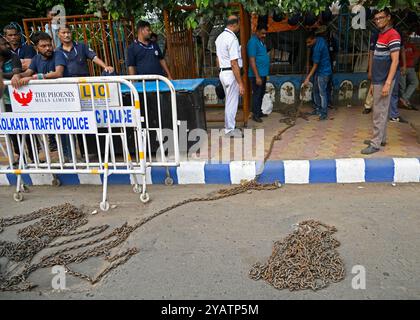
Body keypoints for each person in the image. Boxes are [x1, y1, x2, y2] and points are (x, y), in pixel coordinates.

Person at [11, 32, 71, 159]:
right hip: (47, 100)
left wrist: (36, 77)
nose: (48, 48)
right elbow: (28, 72)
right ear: (36, 48)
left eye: (49, 45)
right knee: (51, 128)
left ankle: (69, 157)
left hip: (64, 97)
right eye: (43, 46)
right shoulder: (36, 59)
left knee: (66, 129)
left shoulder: (58, 54)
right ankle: (58, 158)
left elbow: (58, 73)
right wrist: (17, 76)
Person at [361, 8, 401, 155]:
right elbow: (378, 60)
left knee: (379, 111)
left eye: (381, 18)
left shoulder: (393, 35)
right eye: (376, 19)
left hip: (384, 80)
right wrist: (373, 82)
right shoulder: (381, 34)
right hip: (378, 80)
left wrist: (388, 82)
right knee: (380, 110)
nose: (378, 21)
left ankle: (376, 143)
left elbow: (395, 61)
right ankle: (381, 138)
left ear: (388, 18)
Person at [0, 37, 36, 164]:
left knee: (28, 130)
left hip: (20, 99)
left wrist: (2, 76)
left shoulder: (13, 56)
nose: (7, 45)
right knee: (12, 132)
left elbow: (16, 73)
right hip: (5, 102)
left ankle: (34, 157)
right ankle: (20, 157)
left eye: (6, 43)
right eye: (3, 44)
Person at [215, 15, 244, 138]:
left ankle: (230, 126)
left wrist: (220, 73)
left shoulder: (219, 37)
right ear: (234, 25)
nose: (239, 27)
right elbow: (234, 63)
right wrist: (240, 83)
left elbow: (217, 59)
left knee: (229, 101)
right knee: (232, 102)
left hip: (223, 72)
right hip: (230, 73)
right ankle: (229, 129)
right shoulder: (232, 39)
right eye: (238, 25)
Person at [304, 31, 332, 121]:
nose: (308, 44)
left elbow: (315, 65)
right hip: (320, 71)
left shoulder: (317, 49)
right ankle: (317, 108)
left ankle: (323, 112)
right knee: (315, 90)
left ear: (313, 39)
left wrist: (307, 78)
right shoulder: (320, 39)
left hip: (324, 72)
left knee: (322, 93)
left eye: (309, 42)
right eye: (307, 42)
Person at [247, 23, 269, 123]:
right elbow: (252, 60)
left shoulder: (261, 42)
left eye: (265, 34)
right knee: (257, 94)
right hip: (257, 75)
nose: (264, 35)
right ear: (257, 32)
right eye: (262, 33)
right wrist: (257, 76)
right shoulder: (252, 42)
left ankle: (259, 112)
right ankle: (255, 114)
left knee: (261, 94)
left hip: (263, 74)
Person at [399, 31, 419, 110]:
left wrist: (414, 62)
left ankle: (403, 99)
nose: (406, 38)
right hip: (401, 67)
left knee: (415, 82)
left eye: (407, 36)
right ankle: (405, 103)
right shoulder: (399, 45)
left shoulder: (411, 45)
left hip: (411, 67)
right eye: (404, 36)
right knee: (402, 86)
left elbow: (417, 54)